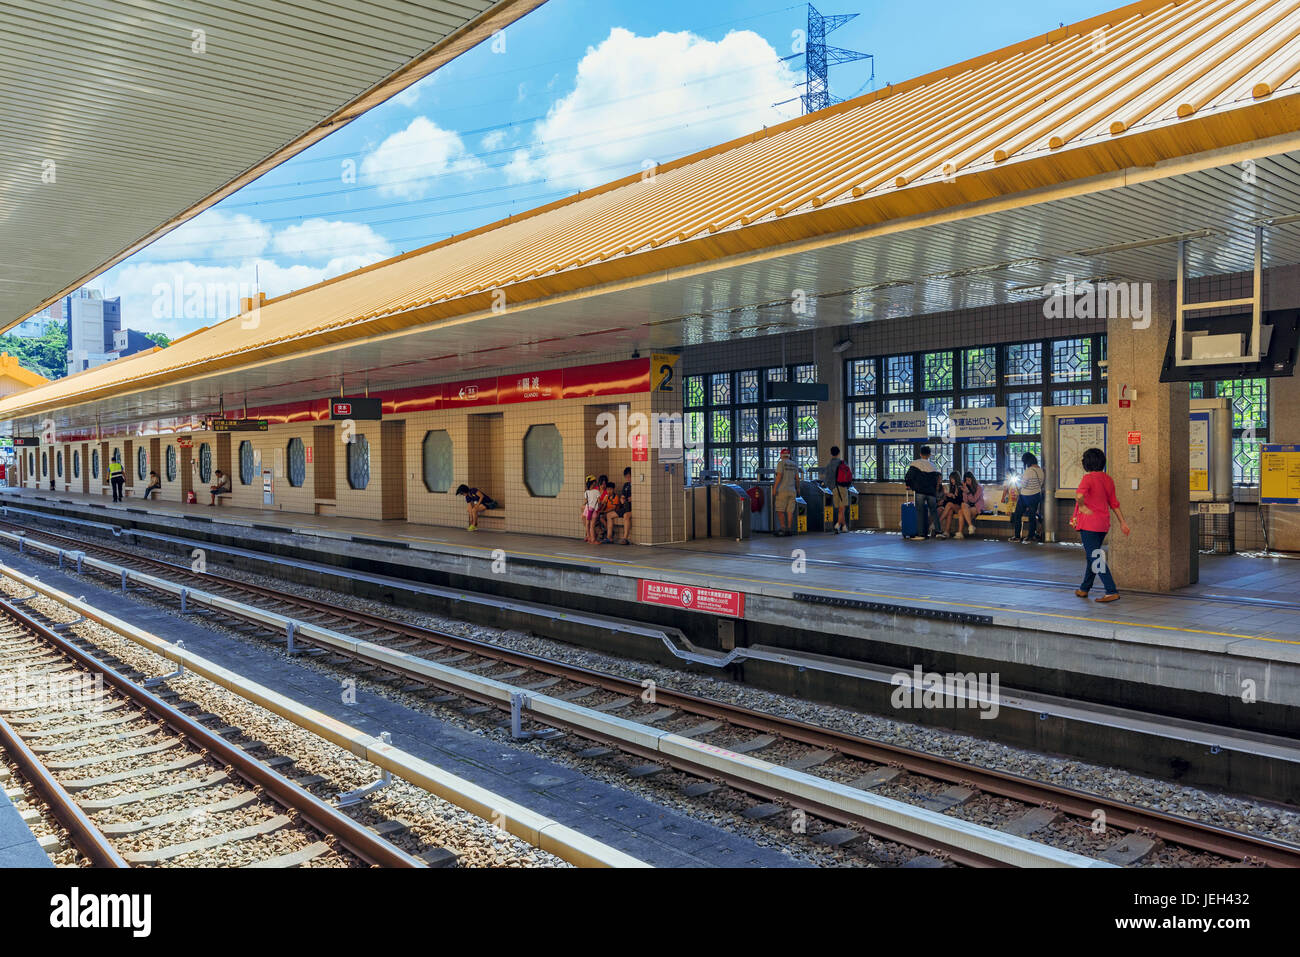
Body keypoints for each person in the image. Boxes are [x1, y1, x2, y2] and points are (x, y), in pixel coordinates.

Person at [1072, 447, 1131, 603]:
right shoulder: (1108, 479)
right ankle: (1084, 588)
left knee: (1095, 557)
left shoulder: (1088, 478)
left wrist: (1083, 507)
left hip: (1089, 524)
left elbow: (1079, 495)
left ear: (1087, 463)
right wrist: (1122, 522)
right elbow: (1114, 504)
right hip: (1103, 524)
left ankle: (1111, 590)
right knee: (1092, 555)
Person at [903, 446, 943, 540]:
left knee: (920, 512)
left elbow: (909, 476)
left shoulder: (915, 463)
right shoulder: (933, 466)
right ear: (929, 455)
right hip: (931, 493)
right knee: (934, 512)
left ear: (920, 454)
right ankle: (938, 532)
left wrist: (909, 485)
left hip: (920, 492)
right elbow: (936, 481)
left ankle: (921, 535)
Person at [1010, 452, 1046, 543]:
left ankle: (1017, 536)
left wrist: (1018, 482)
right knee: (1032, 516)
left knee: (1018, 515)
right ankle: (1031, 536)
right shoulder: (1041, 470)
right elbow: (1041, 484)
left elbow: (1023, 484)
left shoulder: (1029, 471)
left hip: (1025, 496)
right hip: (1036, 495)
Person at [821, 445, 851, 533]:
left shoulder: (829, 465)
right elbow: (848, 475)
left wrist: (828, 486)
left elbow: (827, 478)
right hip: (843, 487)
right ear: (838, 453)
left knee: (839, 509)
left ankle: (844, 526)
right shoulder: (842, 463)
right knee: (842, 508)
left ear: (831, 453)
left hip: (834, 488)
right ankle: (838, 525)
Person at [772, 448, 801, 536]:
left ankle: (783, 528)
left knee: (780, 510)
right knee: (790, 511)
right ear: (789, 455)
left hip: (782, 490)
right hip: (792, 490)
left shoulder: (781, 463)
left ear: (781, 455)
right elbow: (797, 478)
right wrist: (798, 489)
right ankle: (789, 529)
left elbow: (779, 476)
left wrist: (774, 488)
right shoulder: (794, 464)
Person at [606, 466, 633, 545]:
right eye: (626, 477)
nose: (628, 479)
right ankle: (609, 537)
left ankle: (625, 538)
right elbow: (622, 496)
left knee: (626, 515)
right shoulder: (626, 485)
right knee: (609, 515)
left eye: (629, 477)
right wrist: (622, 499)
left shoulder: (637, 485)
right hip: (625, 507)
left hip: (633, 509)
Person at [955, 471, 984, 539]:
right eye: (966, 480)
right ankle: (970, 526)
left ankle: (960, 532)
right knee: (962, 508)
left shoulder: (979, 487)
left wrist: (968, 492)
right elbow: (965, 501)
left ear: (972, 479)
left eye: (969, 480)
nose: (968, 482)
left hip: (977, 507)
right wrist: (965, 492)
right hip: (968, 508)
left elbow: (974, 500)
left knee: (961, 511)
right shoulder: (966, 487)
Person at [939, 470, 963, 537]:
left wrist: (953, 496)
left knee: (949, 504)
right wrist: (949, 495)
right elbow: (952, 500)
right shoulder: (952, 486)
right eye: (950, 479)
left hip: (961, 507)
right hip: (954, 506)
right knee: (950, 511)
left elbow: (960, 501)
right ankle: (947, 531)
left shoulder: (960, 487)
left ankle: (938, 522)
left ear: (956, 478)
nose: (951, 480)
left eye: (952, 479)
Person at [582, 475, 600, 543]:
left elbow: (586, 501)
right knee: (592, 525)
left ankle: (588, 537)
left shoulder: (586, 492)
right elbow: (599, 501)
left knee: (587, 524)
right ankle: (593, 539)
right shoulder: (596, 491)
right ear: (593, 483)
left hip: (587, 509)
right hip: (593, 510)